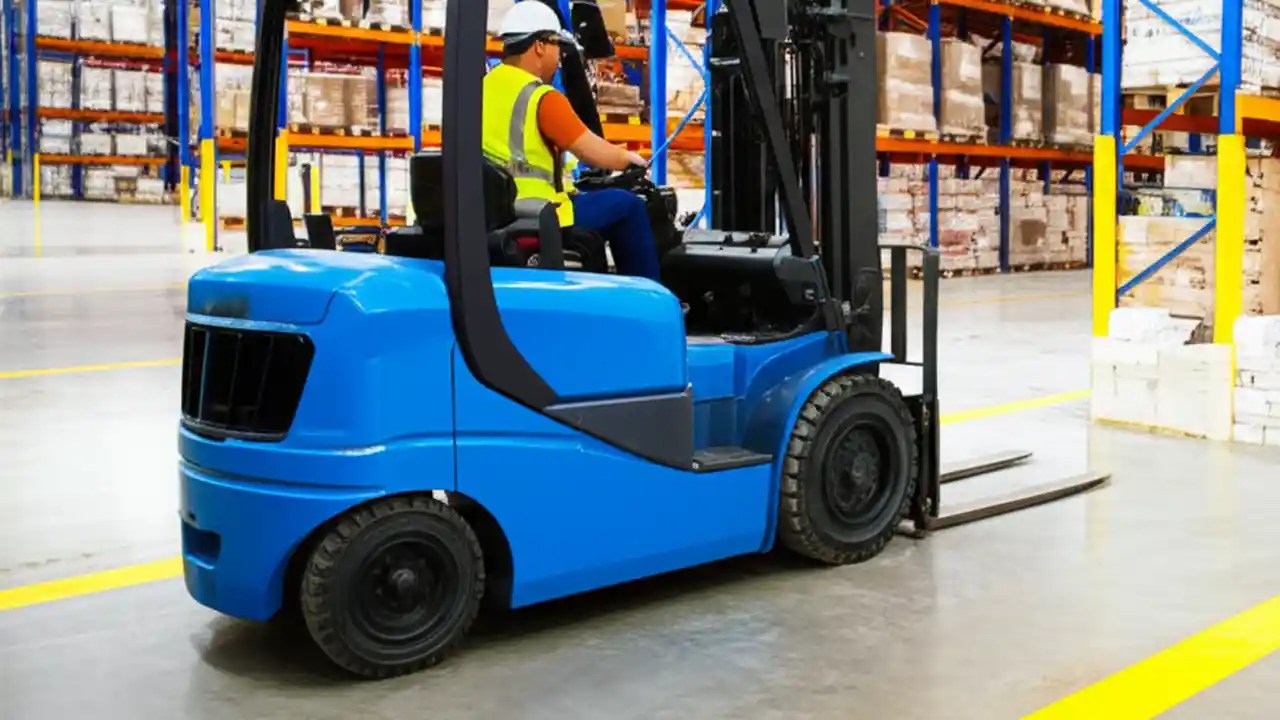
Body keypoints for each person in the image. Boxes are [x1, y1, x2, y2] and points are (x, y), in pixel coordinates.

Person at [485, 2, 661, 282]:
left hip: (495, 211)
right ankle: (652, 298)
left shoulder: (484, 86)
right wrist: (630, 160)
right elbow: (591, 150)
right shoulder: (540, 97)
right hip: (537, 213)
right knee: (629, 207)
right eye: (557, 47)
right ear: (540, 46)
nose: (559, 58)